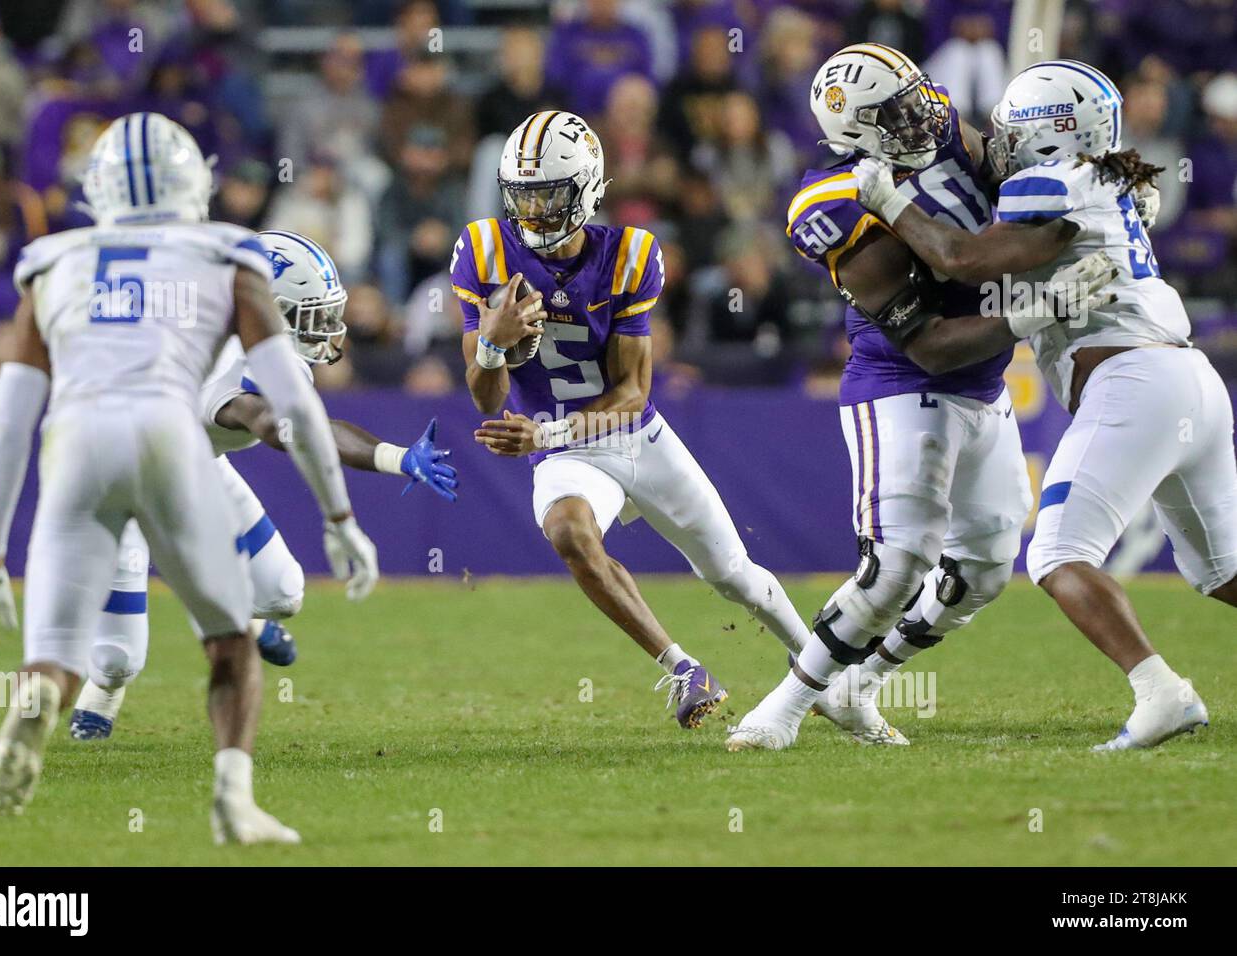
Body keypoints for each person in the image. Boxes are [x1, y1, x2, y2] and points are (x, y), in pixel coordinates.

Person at [0, 112, 379, 843]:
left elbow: (9, 416)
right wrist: (340, 518)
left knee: (66, 656)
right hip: (167, 437)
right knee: (228, 644)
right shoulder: (226, 255)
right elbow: (296, 409)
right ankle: (232, 798)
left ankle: (40, 693)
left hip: (77, 443)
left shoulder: (53, 260)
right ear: (192, 183)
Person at [728, 43, 1113, 750]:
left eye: (913, 96)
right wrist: (1036, 312)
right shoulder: (837, 205)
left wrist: (1109, 192)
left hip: (986, 383)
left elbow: (1022, 191)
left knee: (988, 567)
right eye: (892, 114)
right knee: (897, 564)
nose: (917, 117)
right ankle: (782, 706)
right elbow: (930, 344)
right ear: (855, 138)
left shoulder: (946, 127)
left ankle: (859, 685)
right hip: (903, 386)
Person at [852, 59, 1234, 750]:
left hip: (1135, 378)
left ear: (1047, 131)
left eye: (1009, 129)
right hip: (1191, 381)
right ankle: (1161, 692)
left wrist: (891, 202)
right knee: (1223, 573)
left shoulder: (1053, 182)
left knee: (1058, 552)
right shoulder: (1100, 180)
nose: (997, 142)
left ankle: (1161, 693)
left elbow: (966, 257)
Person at [0, 229, 460, 741]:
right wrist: (393, 458)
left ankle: (234, 611)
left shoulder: (245, 341)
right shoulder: (225, 368)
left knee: (285, 592)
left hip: (196, 466)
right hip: (122, 480)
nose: (331, 333)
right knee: (117, 658)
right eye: (314, 318)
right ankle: (110, 684)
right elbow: (279, 427)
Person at [451, 110, 811, 729]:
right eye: (523, 197)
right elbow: (486, 400)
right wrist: (491, 345)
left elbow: (633, 394)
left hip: (628, 436)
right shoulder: (483, 248)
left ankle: (821, 669)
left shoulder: (629, 253)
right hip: (563, 449)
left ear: (586, 189)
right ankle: (682, 669)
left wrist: (546, 432)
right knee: (568, 531)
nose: (533, 213)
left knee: (734, 578)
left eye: (548, 197)